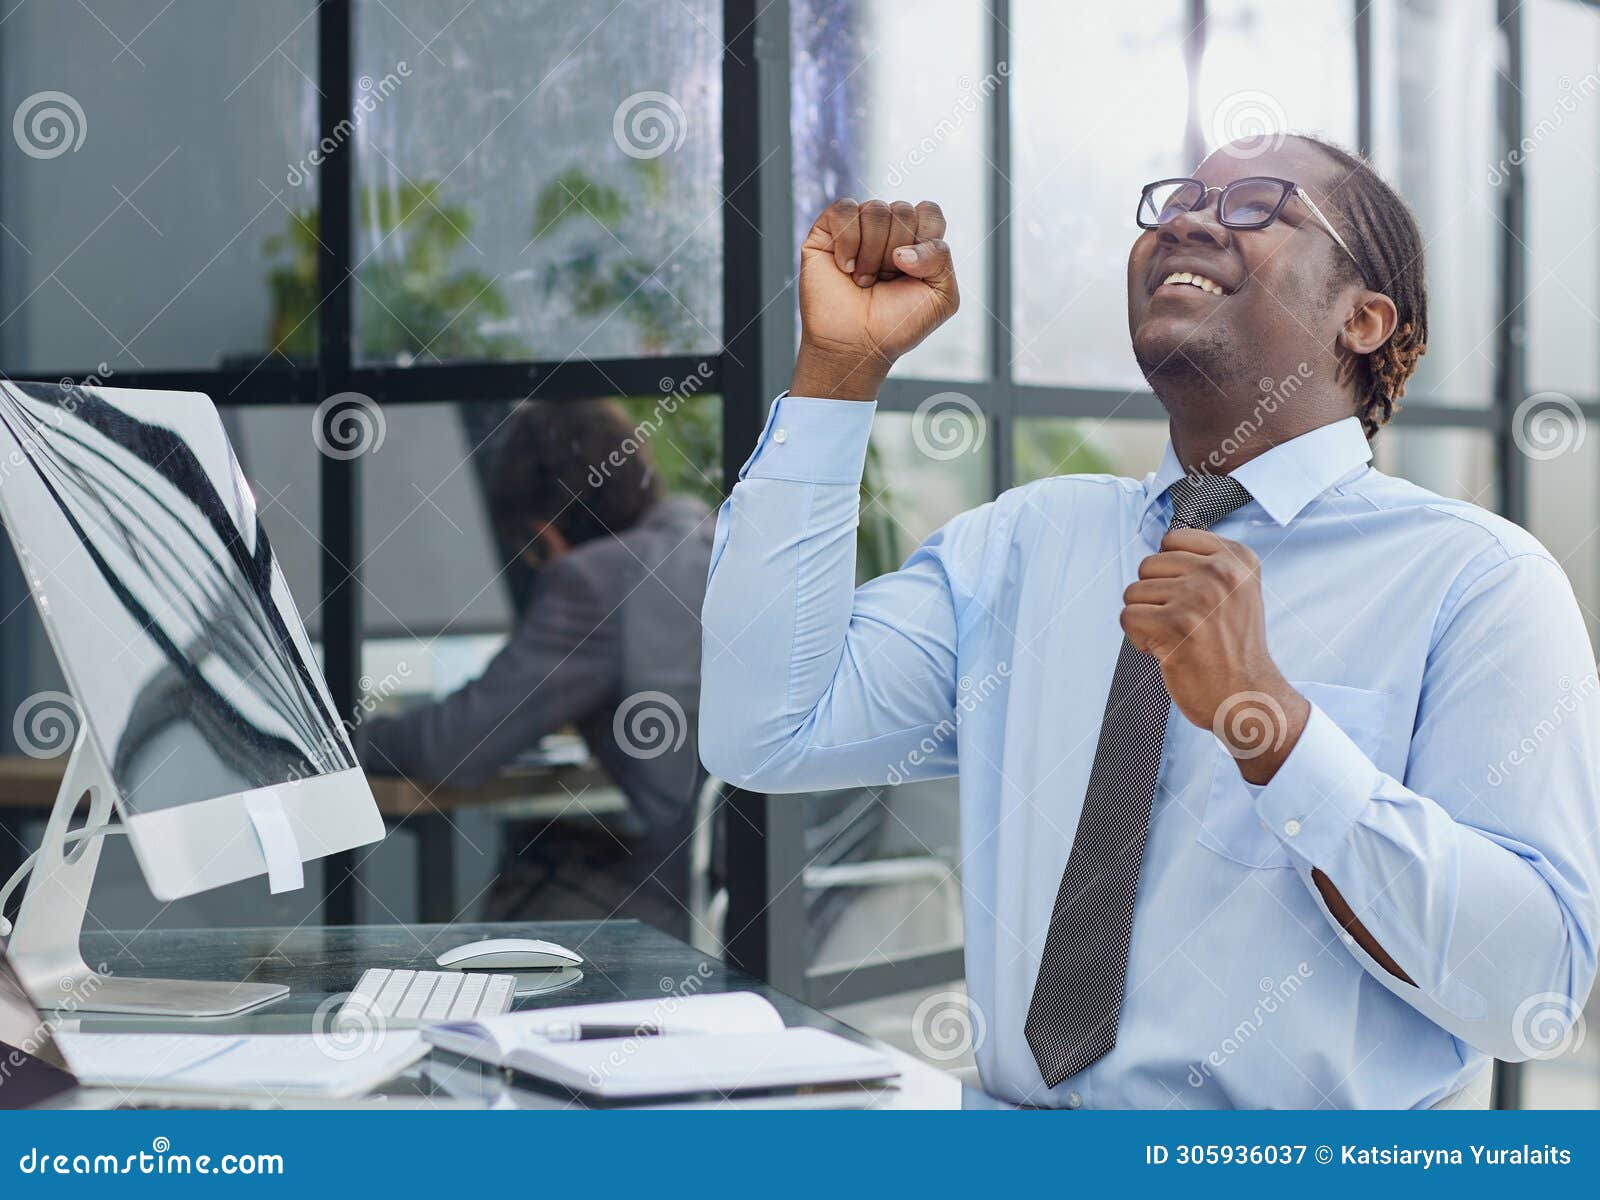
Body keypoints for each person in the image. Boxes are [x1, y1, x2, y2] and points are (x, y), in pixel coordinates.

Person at [699, 134, 1600, 1109]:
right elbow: (767, 733)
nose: (1189, 221)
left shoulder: (1477, 582)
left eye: (1257, 205)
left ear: (1363, 319)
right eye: (1176, 202)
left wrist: (1276, 731)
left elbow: (1533, 996)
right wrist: (839, 372)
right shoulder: (1023, 543)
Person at [361, 399, 712, 940]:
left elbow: (453, 747)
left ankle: (491, 993)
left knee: (539, 860)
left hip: (701, 894)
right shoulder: (717, 538)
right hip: (808, 890)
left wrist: (340, 739)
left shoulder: (597, 580)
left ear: (545, 534)